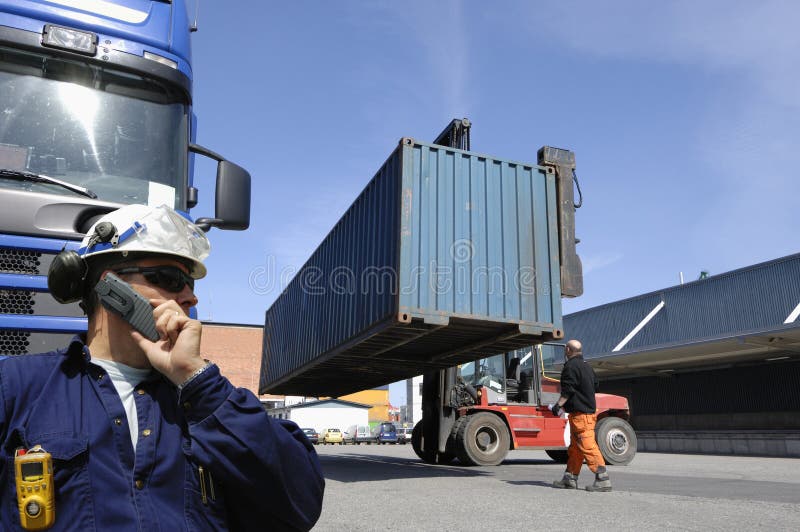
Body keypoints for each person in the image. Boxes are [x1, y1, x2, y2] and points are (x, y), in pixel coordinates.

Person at [0, 204, 325, 530]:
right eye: (169, 279)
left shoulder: (207, 402)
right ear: (111, 288)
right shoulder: (17, 388)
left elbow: (300, 505)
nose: (189, 297)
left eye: (191, 284)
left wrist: (196, 382)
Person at [550, 339, 612, 492]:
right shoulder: (587, 366)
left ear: (568, 350)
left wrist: (558, 405)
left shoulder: (570, 367)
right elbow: (595, 386)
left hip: (581, 415)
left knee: (587, 446)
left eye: (565, 348)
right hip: (585, 413)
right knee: (576, 448)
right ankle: (570, 478)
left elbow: (568, 390)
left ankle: (602, 479)